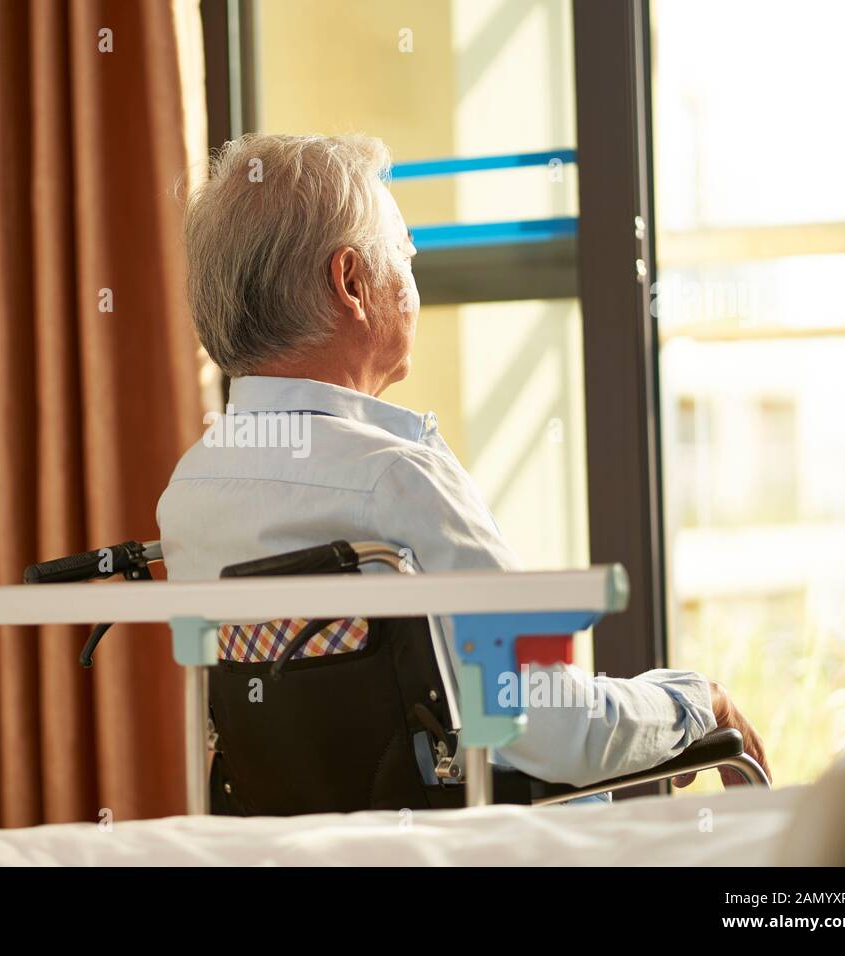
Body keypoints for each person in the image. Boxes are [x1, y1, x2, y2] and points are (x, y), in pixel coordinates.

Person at [157, 132, 769, 790]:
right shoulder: (395, 480)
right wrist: (695, 701)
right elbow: (558, 734)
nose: (412, 277)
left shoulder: (187, 496)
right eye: (406, 256)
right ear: (353, 282)